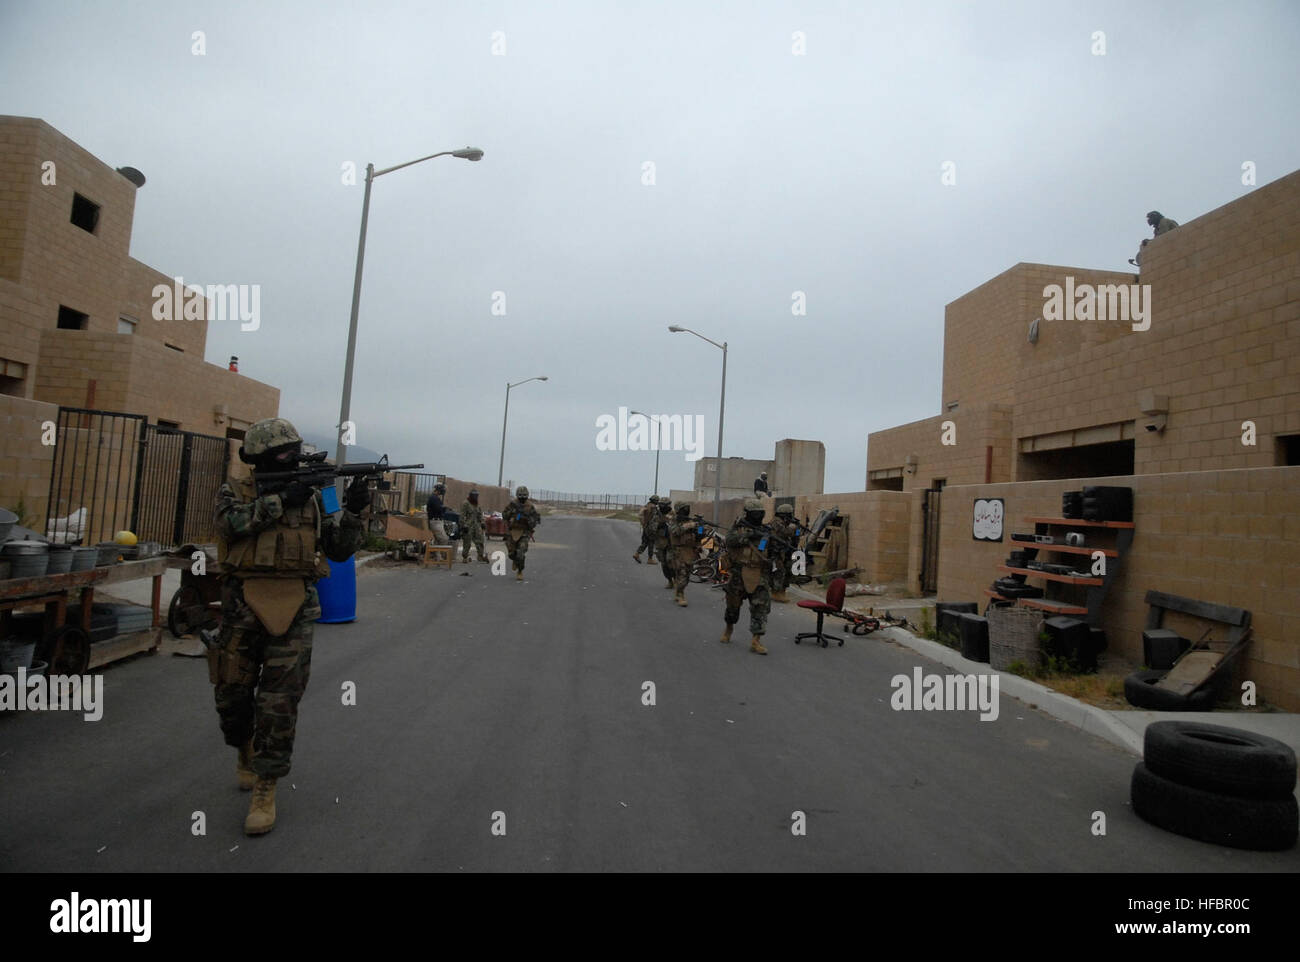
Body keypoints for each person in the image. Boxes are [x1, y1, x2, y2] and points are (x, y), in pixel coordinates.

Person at [211, 417, 367, 836]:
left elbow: (338, 551)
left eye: (295, 451)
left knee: (278, 705)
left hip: (296, 608)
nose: (293, 458)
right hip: (243, 605)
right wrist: (280, 501)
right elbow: (229, 526)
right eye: (284, 453)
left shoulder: (317, 497)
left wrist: (352, 511)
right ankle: (243, 749)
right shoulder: (236, 490)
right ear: (260, 458)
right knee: (232, 699)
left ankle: (266, 785)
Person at [721, 498, 774, 655]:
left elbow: (770, 552)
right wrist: (749, 536)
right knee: (733, 606)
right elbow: (729, 540)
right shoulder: (738, 529)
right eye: (754, 513)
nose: (757, 516)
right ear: (747, 514)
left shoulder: (766, 531)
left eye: (760, 513)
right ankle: (729, 628)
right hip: (739, 572)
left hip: (759, 573)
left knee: (760, 607)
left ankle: (756, 640)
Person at [666, 501, 703, 607]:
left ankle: (678, 591)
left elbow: (699, 535)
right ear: (678, 510)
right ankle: (681, 595)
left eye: (687, 508)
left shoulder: (690, 521)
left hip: (689, 551)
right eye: (684, 509)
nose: (686, 510)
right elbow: (675, 531)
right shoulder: (673, 521)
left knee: (686, 575)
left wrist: (700, 527)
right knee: (682, 573)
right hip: (677, 551)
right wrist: (689, 525)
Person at [503, 485, 541, 580]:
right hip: (512, 531)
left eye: (524, 496)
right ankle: (515, 561)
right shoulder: (512, 504)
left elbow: (535, 520)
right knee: (512, 554)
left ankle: (520, 571)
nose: (522, 498)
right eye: (520, 496)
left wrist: (528, 520)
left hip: (524, 532)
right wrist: (513, 512)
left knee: (521, 552)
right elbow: (504, 515)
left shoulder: (530, 507)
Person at [769, 502, 801, 603]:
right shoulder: (776, 522)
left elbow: (795, 536)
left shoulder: (786, 522)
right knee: (779, 571)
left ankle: (782, 591)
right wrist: (793, 527)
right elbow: (786, 532)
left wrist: (798, 530)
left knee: (788, 571)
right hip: (775, 552)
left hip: (785, 551)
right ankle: (775, 592)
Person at [459, 487, 489, 563]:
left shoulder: (477, 505)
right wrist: (463, 525)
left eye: (476, 496)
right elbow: (462, 516)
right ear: (470, 496)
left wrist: (482, 522)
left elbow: (480, 515)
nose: (475, 497)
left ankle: (480, 556)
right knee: (467, 542)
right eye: (474, 496)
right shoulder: (465, 503)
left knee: (480, 540)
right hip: (468, 526)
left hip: (476, 526)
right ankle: (465, 557)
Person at [652, 499, 675, 590]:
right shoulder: (656, 515)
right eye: (662, 505)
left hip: (672, 543)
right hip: (661, 543)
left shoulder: (674, 514)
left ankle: (676, 580)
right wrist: (659, 524)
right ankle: (670, 580)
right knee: (664, 564)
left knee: (671, 562)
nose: (664, 507)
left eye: (666, 505)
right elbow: (652, 528)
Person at [633, 495, 660, 564]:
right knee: (651, 543)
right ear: (655, 501)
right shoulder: (653, 507)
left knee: (645, 542)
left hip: (645, 527)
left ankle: (637, 554)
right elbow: (655, 518)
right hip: (650, 528)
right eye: (657, 501)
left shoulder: (647, 505)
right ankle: (650, 559)